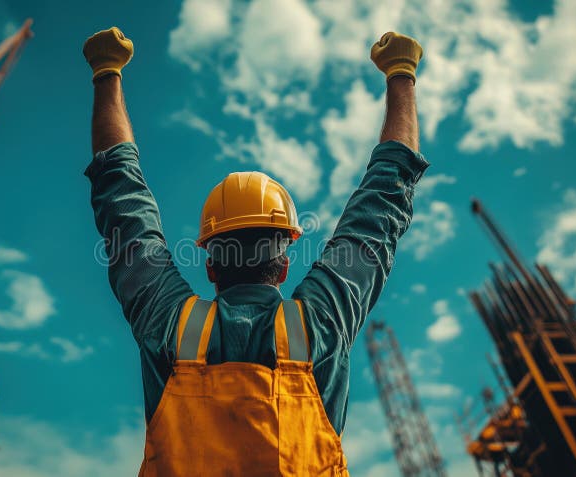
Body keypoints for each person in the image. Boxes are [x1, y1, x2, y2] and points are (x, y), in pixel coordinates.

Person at [83, 26, 427, 476]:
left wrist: (107, 72)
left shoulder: (171, 325)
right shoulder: (319, 323)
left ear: (209, 264)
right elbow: (381, 206)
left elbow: (124, 208)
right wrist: (400, 73)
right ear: (283, 265)